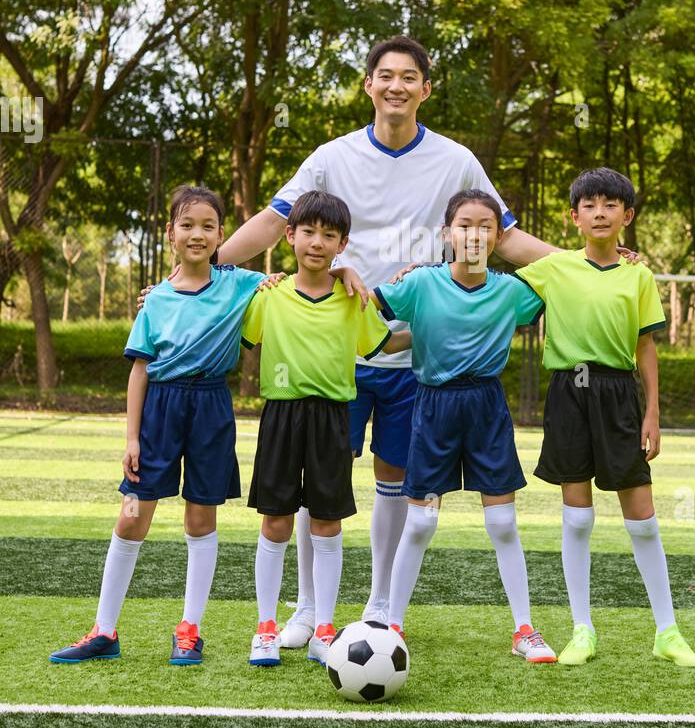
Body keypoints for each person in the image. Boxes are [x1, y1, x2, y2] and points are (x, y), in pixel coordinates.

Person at [214, 35, 637, 644]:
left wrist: (588, 261)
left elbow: (508, 240)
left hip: (416, 359)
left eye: (409, 77)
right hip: (335, 349)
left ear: (424, 89)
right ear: (368, 84)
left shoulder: (456, 161)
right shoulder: (331, 157)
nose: (396, 86)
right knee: (317, 478)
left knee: (396, 480)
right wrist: (197, 275)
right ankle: (307, 608)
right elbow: (277, 222)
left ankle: (381, 604)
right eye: (385, 75)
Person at [49, 185, 280, 667]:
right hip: (159, 409)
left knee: (200, 517)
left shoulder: (241, 284)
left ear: (221, 235)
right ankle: (104, 630)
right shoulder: (155, 300)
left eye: (208, 226)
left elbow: (291, 281)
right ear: (171, 233)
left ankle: (190, 630)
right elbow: (139, 370)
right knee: (133, 514)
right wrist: (131, 437)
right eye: (187, 225)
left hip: (212, 407)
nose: (197, 233)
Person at [351, 189, 557, 661]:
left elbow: (571, 280)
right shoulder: (420, 283)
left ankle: (524, 629)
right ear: (447, 233)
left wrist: (610, 257)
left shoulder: (513, 290)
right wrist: (352, 285)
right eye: (465, 224)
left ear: (498, 235)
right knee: (421, 522)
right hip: (432, 407)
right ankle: (392, 625)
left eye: (486, 225)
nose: (475, 234)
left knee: (503, 521)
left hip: (486, 407)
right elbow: (362, 306)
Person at [513, 167, 695, 667]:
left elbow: (645, 347)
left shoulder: (638, 274)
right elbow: (488, 268)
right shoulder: (552, 269)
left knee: (641, 517)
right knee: (577, 516)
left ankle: (667, 630)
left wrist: (653, 413)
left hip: (620, 396)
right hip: (567, 392)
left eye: (611, 205)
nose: (600, 213)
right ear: (572, 217)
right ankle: (582, 629)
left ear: (628, 215)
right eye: (590, 205)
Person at [241, 190, 411, 668]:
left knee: (326, 522)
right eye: (308, 232)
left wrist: (437, 327)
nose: (317, 242)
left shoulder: (352, 299)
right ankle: (267, 627)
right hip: (281, 418)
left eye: (329, 235)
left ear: (342, 245)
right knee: (275, 522)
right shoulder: (268, 295)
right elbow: (230, 315)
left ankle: (325, 628)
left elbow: (385, 343)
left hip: (333, 419)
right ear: (290, 235)